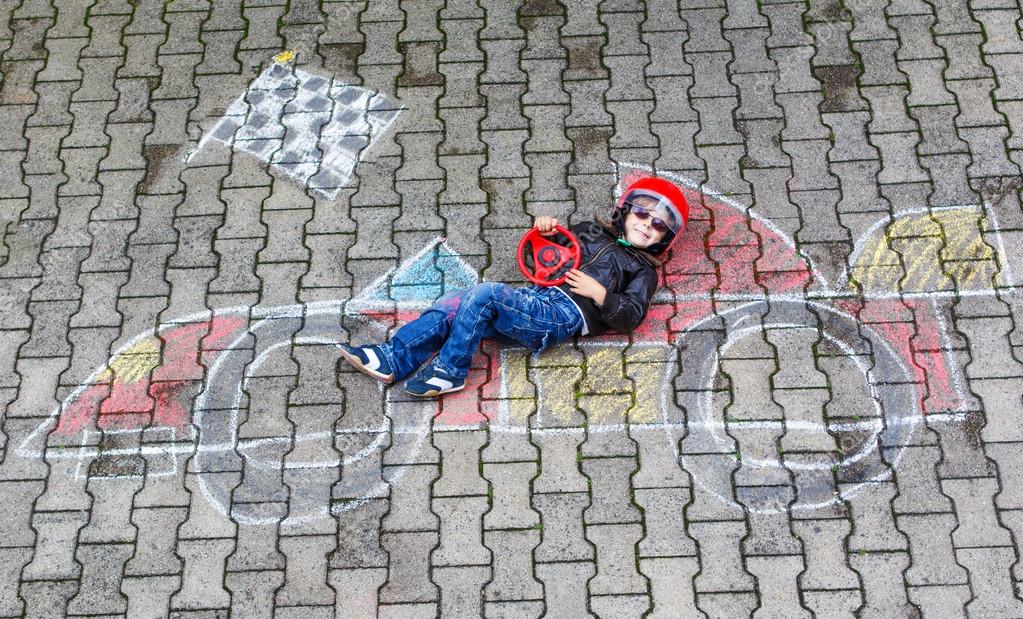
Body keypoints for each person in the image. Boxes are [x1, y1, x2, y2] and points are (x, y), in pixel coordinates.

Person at [339, 176, 689, 397]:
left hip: (560, 317)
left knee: (486, 293)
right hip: (536, 298)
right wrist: (545, 234)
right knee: (457, 305)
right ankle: (394, 358)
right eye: (642, 215)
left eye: (658, 225)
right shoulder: (590, 230)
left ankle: (450, 369)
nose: (647, 225)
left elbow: (631, 316)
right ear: (625, 212)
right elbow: (543, 263)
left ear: (665, 238)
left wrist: (600, 295)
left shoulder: (643, 270)